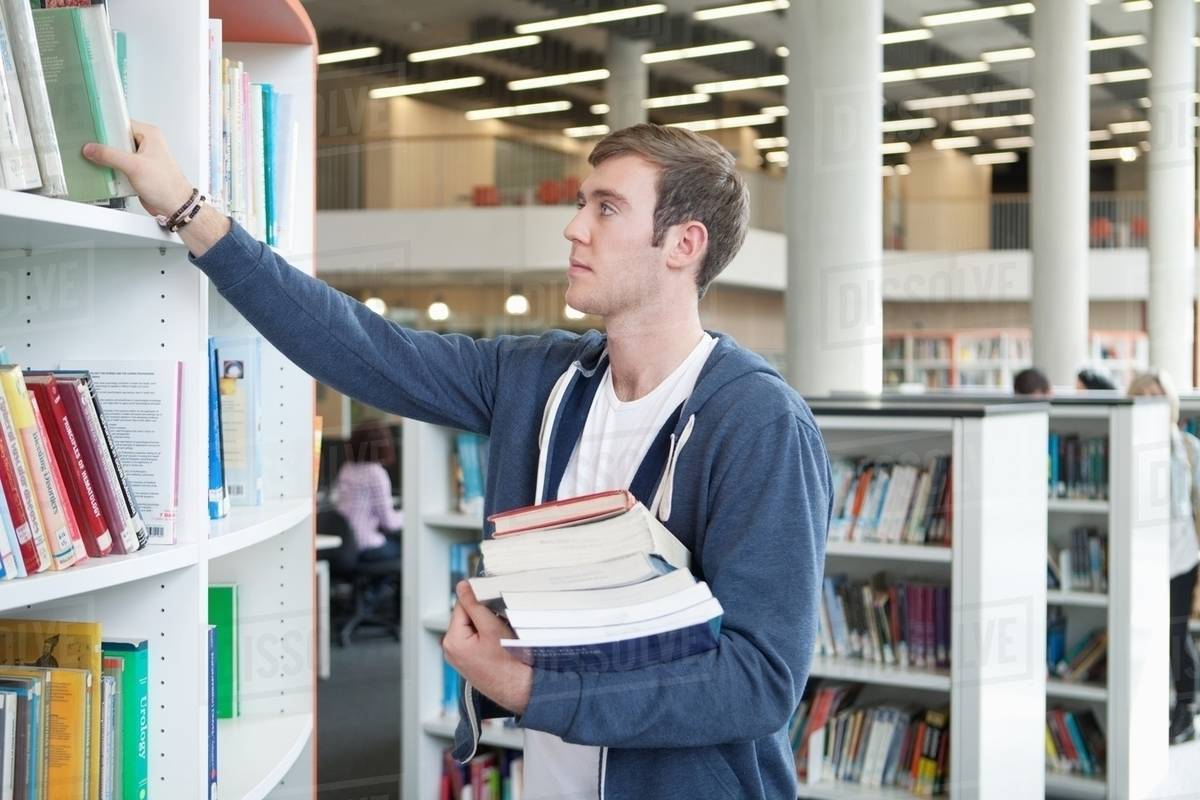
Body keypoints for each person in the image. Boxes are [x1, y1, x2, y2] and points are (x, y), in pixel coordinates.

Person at [82, 121, 832, 799]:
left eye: (605, 209)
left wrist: (530, 689)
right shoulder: (540, 379)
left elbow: (759, 681)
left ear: (684, 245)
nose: (574, 228)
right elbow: (361, 348)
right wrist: (189, 212)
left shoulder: (758, 422)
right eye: (581, 202)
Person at [1128, 369, 1200, 744]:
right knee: (1144, 633)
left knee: (1176, 632)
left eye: (1158, 396)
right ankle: (1150, 706)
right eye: (1144, 397)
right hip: (1140, 558)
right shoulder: (1127, 446)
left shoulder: (1187, 447)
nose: (1152, 404)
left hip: (1181, 555)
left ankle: (1185, 710)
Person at [334, 422, 404, 562]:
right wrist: (409, 517)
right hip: (366, 544)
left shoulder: (347, 468)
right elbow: (389, 522)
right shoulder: (375, 473)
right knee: (408, 547)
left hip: (346, 544)